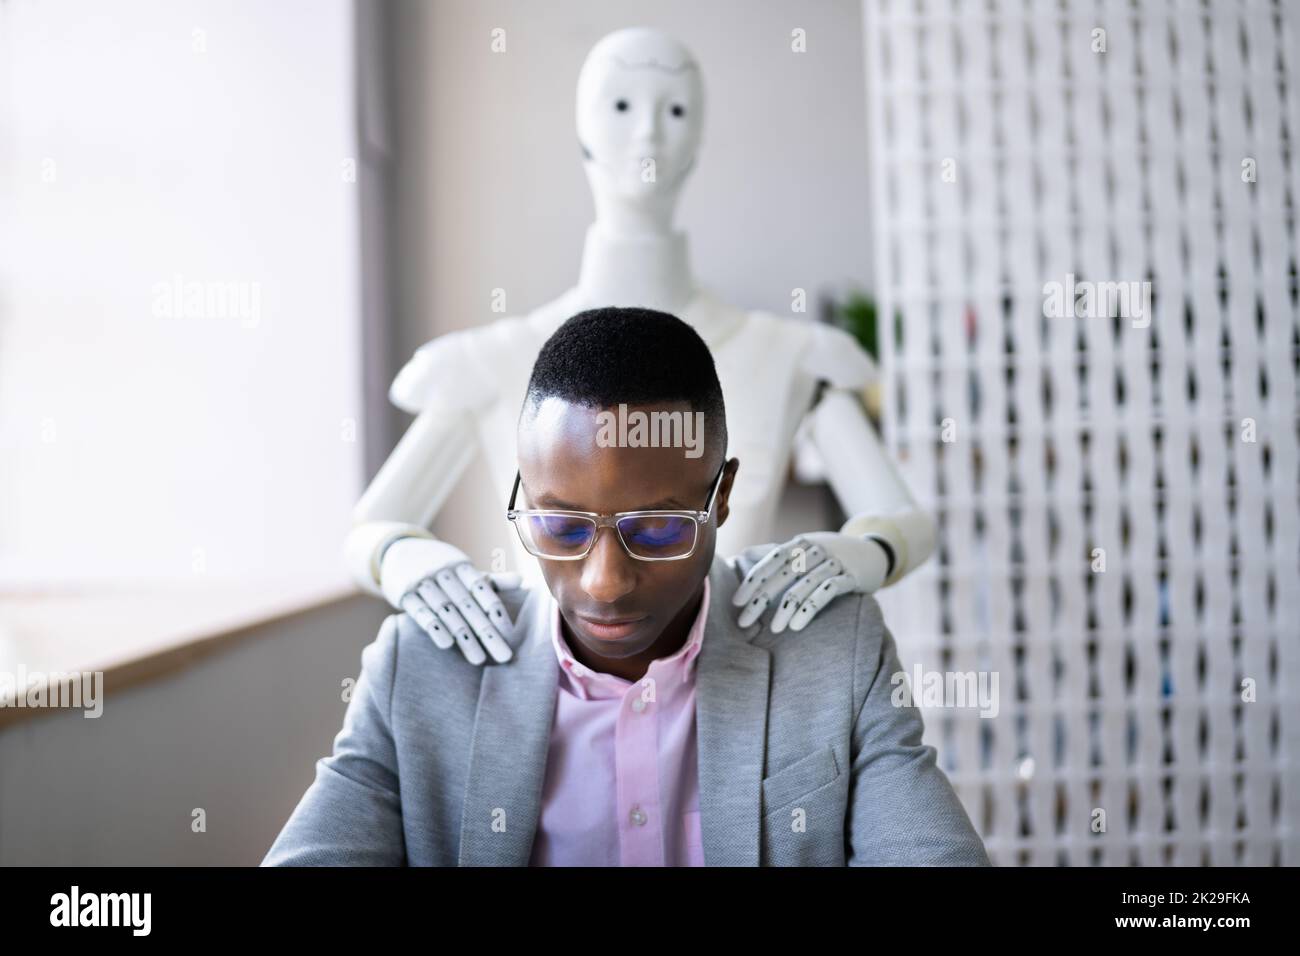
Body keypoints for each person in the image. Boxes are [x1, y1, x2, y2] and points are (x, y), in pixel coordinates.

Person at [263, 307, 989, 866]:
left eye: (660, 529)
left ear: (722, 497)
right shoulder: (422, 667)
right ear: (521, 493)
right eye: (561, 527)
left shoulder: (833, 650)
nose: (605, 584)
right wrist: (391, 549)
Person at [345, 27, 937, 666]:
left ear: (699, 140)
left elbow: (904, 517)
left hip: (732, 696)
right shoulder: (487, 360)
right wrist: (403, 556)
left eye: (675, 110)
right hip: (558, 703)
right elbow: (371, 524)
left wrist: (861, 550)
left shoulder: (790, 353)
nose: (649, 134)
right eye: (622, 107)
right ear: (582, 131)